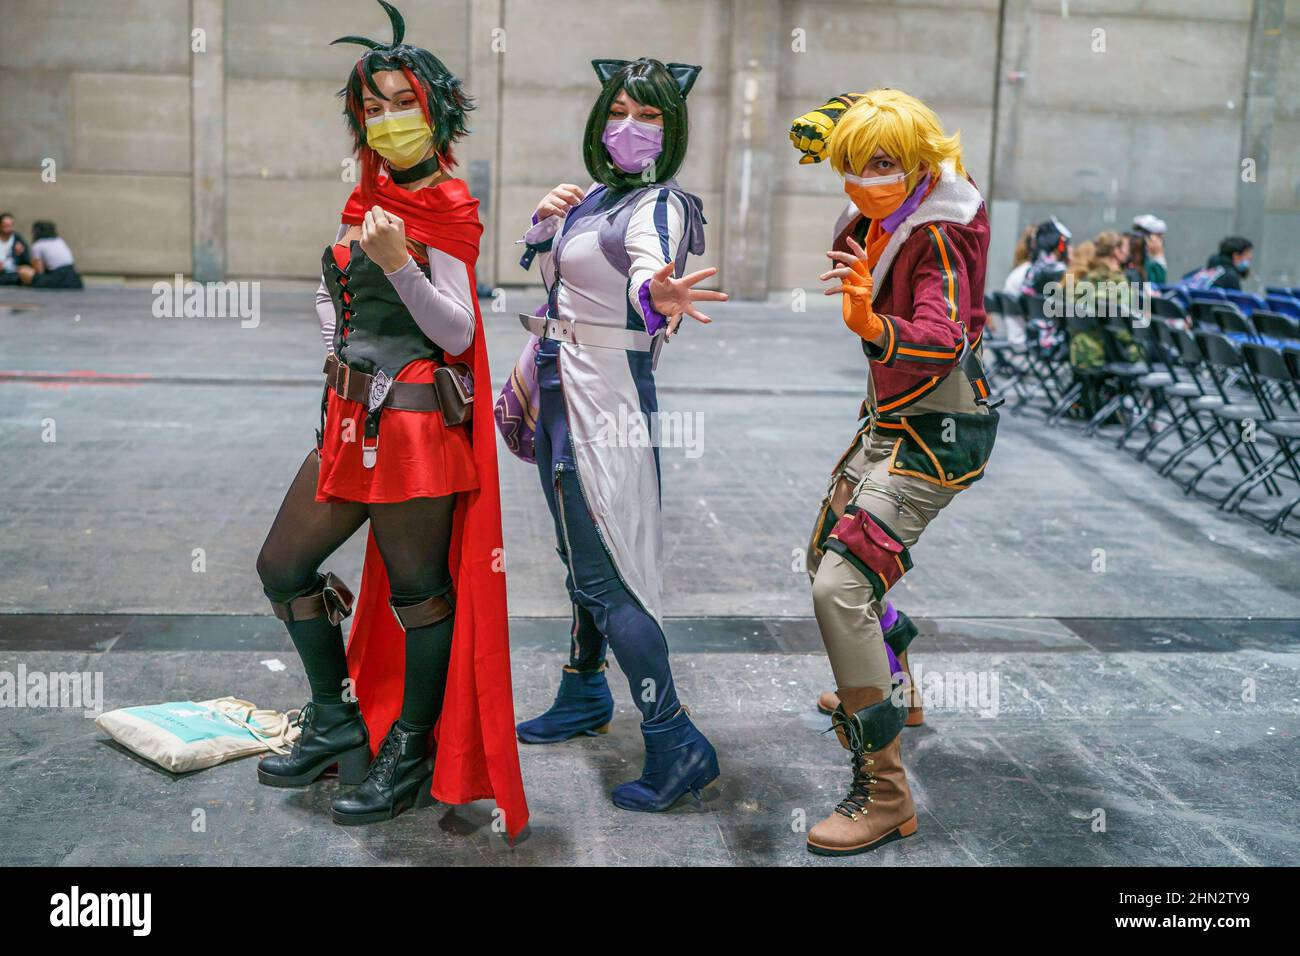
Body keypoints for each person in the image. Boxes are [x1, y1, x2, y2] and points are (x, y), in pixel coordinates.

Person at [253, 0, 527, 838]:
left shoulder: (447, 201)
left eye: (400, 102)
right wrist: (334, 346)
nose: (384, 119)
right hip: (347, 424)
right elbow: (337, 297)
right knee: (282, 565)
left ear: (434, 109)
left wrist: (399, 262)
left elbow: (457, 330)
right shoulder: (367, 192)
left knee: (419, 597)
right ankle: (336, 720)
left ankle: (411, 749)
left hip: (413, 433)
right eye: (370, 107)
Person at [508, 57, 727, 813]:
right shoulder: (601, 195)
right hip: (564, 392)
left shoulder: (658, 205)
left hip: (606, 407)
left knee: (611, 578)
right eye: (622, 111)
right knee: (579, 558)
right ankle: (582, 693)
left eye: (653, 116)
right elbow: (560, 269)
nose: (632, 127)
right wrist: (544, 225)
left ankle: (675, 739)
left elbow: (647, 270)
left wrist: (657, 293)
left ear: (674, 129)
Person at [790, 88, 998, 856]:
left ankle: (884, 792)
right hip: (889, 421)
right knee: (828, 556)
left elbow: (942, 333)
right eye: (852, 164)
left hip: (938, 432)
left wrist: (874, 324)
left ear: (919, 161)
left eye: (884, 162)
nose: (867, 177)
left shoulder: (937, 235)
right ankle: (896, 687)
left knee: (839, 585)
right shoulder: (876, 220)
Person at [1184, 236, 1253, 292]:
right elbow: (1236, 306)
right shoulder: (1230, 277)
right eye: (1247, 254)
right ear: (1236, 256)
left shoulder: (1197, 272)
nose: (1250, 257)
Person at [28, 221, 84, 289]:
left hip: (57, 278)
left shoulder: (37, 245)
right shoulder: (59, 240)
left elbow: (39, 271)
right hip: (74, 278)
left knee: (24, 271)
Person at [1131, 213, 1168, 285]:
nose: (1160, 242)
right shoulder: (1138, 265)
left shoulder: (1147, 261)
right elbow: (1157, 290)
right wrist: (1158, 256)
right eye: (1158, 236)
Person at [0, 212, 34, 286]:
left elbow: (26, 261)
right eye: (5, 226)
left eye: (10, 226)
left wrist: (20, 253)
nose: (9, 229)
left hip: (13, 272)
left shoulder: (17, 239)